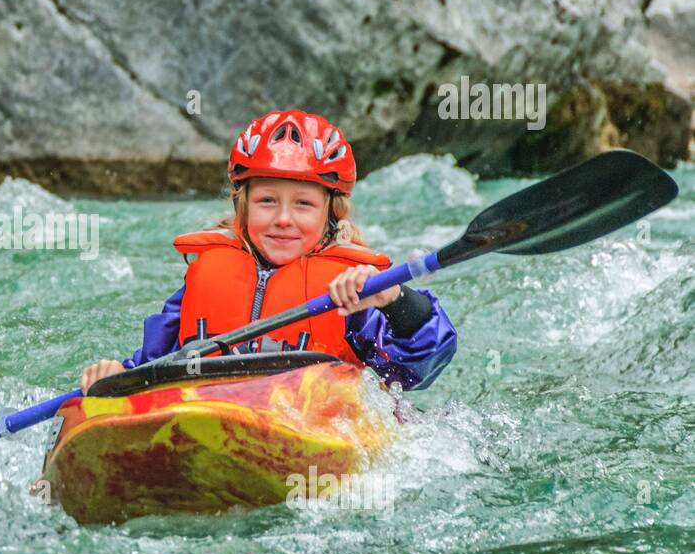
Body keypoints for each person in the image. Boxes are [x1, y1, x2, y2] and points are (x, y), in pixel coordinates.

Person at [79, 110, 457, 394]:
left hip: (310, 432)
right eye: (267, 201)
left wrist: (392, 300)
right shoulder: (206, 274)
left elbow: (416, 369)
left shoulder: (351, 293)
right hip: (211, 419)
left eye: (304, 204)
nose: (283, 219)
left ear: (332, 211)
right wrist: (116, 380)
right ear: (242, 205)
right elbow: (153, 368)